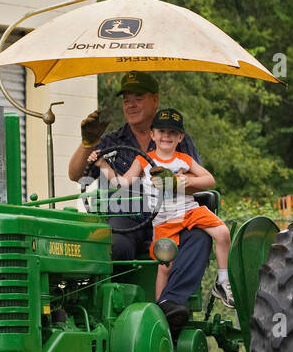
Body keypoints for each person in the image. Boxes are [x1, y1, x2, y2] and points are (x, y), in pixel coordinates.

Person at [68, 71, 214, 328]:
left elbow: (197, 183)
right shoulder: (112, 141)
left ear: (155, 101)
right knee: (113, 241)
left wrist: (174, 183)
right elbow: (75, 174)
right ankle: (112, 315)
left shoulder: (178, 140)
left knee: (201, 236)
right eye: (126, 99)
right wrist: (87, 143)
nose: (130, 104)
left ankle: (170, 304)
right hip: (127, 216)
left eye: (138, 97)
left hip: (171, 215)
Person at [91, 107, 234, 307]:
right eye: (161, 132)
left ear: (180, 137)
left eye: (172, 132)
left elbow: (209, 179)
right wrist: (103, 165)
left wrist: (180, 181)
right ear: (153, 134)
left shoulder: (184, 159)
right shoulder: (143, 160)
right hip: (164, 219)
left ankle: (223, 281)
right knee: (164, 266)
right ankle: (161, 308)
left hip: (189, 211)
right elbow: (121, 183)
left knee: (222, 233)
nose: (166, 136)